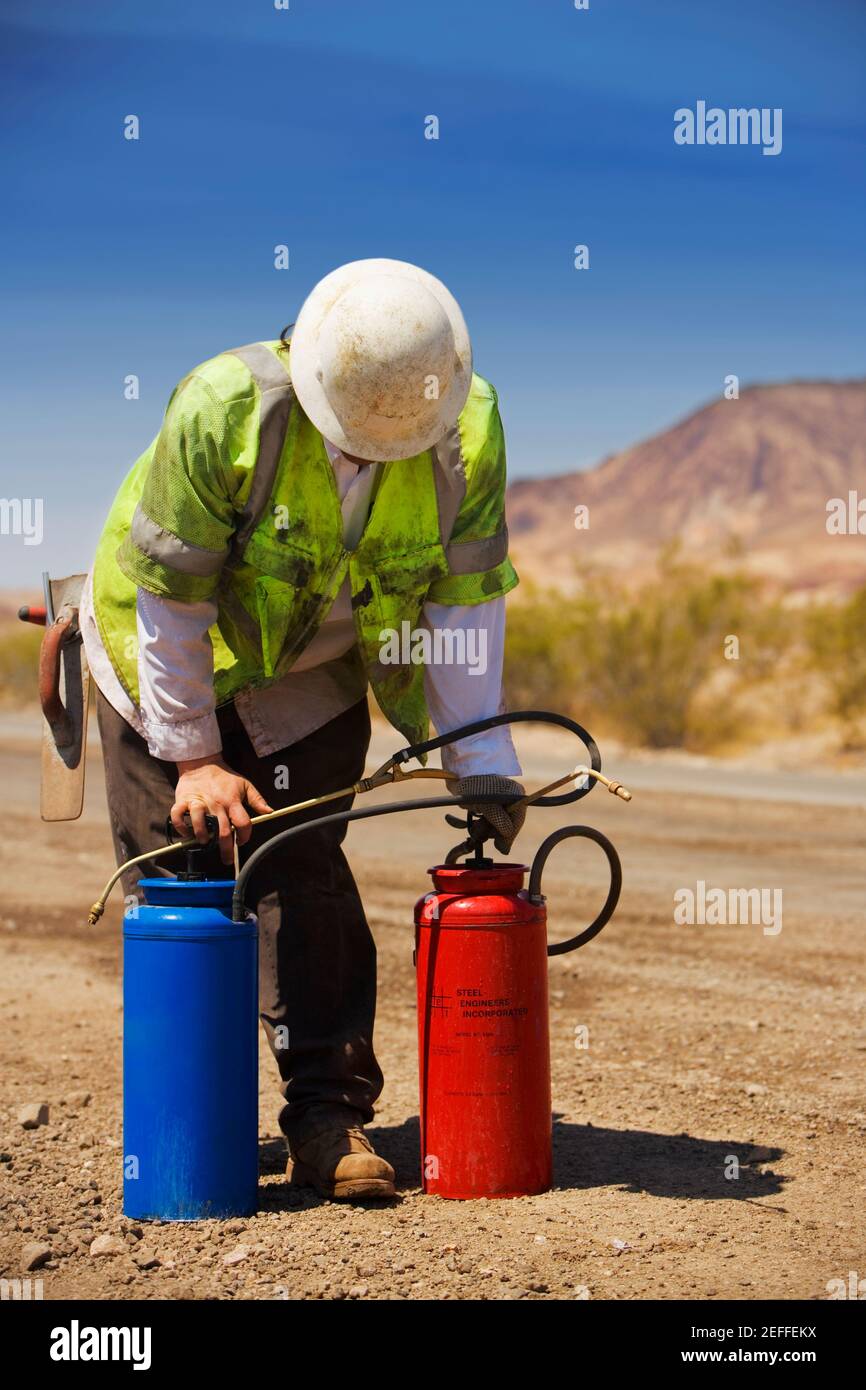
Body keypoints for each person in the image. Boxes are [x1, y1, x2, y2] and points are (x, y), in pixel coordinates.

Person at [80, 258, 525, 1200]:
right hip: (159, 649)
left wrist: (480, 759)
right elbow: (173, 599)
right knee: (185, 887)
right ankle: (194, 1128)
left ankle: (327, 1116)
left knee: (306, 873)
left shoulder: (467, 429)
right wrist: (196, 757)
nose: (374, 456)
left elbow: (462, 605)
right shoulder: (223, 407)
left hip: (311, 673)